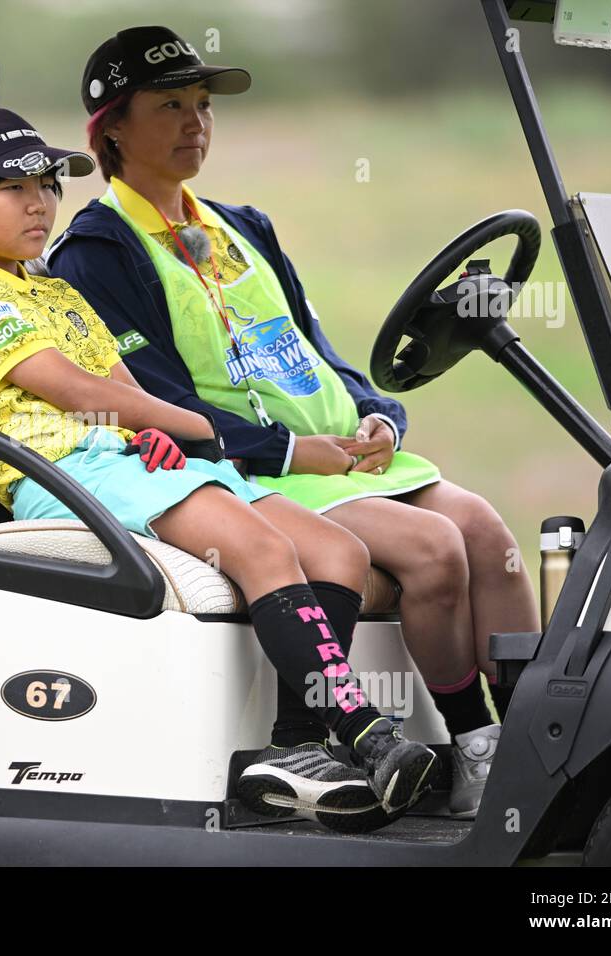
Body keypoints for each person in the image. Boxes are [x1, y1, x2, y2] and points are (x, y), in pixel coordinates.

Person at [48, 26, 538, 818]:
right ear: (109, 130)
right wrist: (290, 449)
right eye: (170, 105)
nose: (195, 122)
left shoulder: (246, 225)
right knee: (435, 548)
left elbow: (316, 352)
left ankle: (533, 736)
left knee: (485, 531)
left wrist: (379, 415)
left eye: (202, 105)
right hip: (255, 472)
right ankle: (475, 745)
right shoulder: (97, 251)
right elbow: (157, 403)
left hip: (336, 461)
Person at [0, 107, 439, 832]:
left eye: (46, 185)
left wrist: (158, 436)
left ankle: (289, 750)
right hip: (61, 474)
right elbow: (75, 392)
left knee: (338, 551)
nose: (39, 202)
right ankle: (362, 733)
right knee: (262, 547)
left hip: (120, 462)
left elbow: (124, 390)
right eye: (13, 188)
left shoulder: (53, 291)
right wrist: (196, 428)